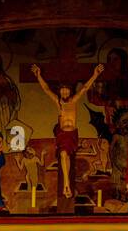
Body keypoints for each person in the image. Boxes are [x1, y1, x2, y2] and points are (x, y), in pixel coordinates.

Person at [31, 62, 105, 198]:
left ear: (70, 91)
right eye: (62, 90)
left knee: (68, 157)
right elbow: (47, 89)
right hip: (62, 134)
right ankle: (66, 184)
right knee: (63, 155)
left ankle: (67, 184)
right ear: (60, 91)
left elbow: (85, 88)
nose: (64, 92)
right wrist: (38, 76)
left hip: (72, 134)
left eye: (66, 90)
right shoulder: (59, 102)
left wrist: (95, 74)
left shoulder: (73, 101)